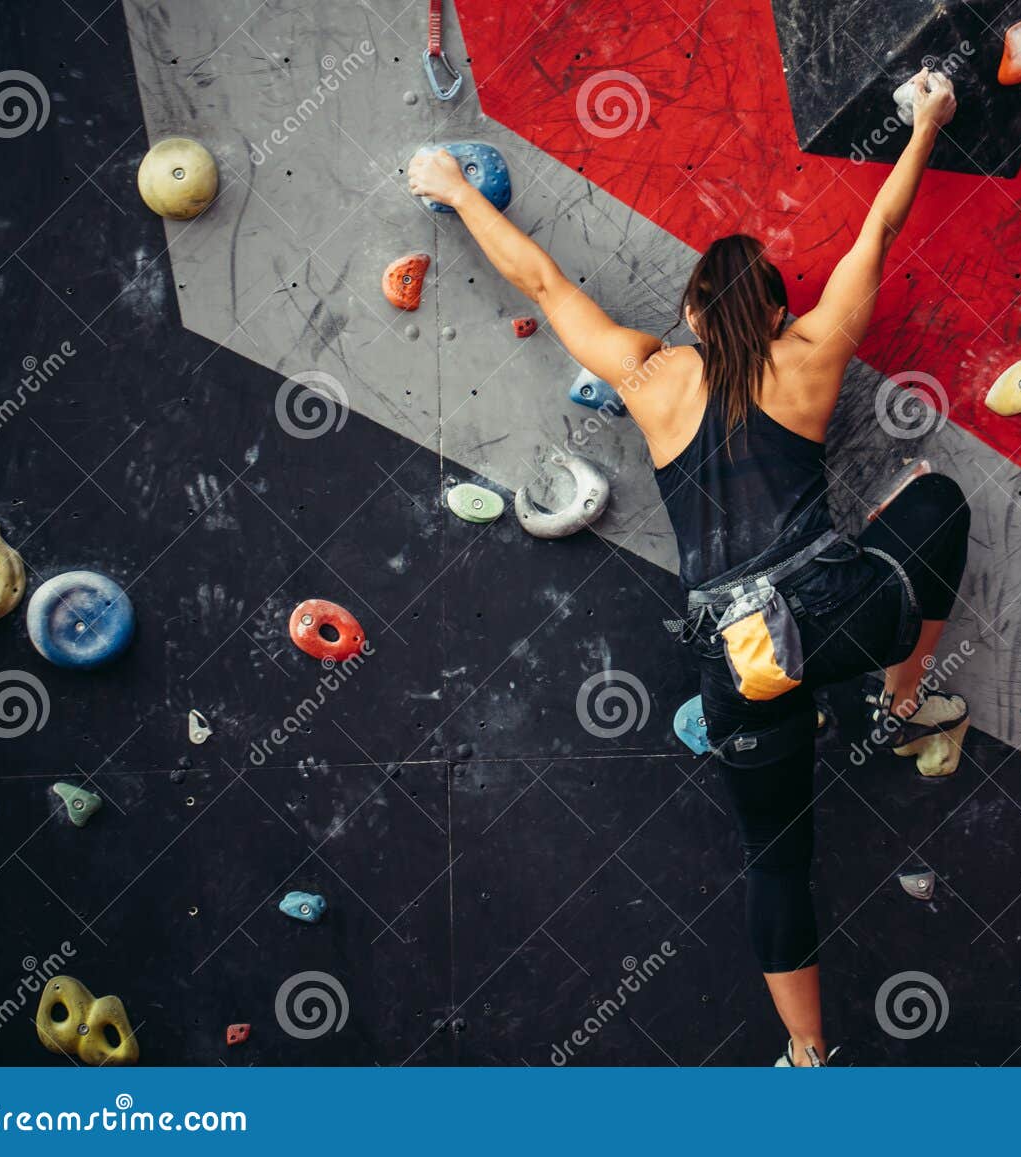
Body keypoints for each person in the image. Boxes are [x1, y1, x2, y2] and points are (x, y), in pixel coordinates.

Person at [409, 68, 971, 1066]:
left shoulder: (650, 373)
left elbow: (540, 280)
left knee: (778, 858)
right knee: (935, 503)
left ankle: (806, 1053)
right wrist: (926, 121)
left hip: (740, 656)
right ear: (773, 308)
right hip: (839, 609)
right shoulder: (809, 354)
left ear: (694, 316)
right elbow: (875, 233)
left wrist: (454, 191)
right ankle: (901, 698)